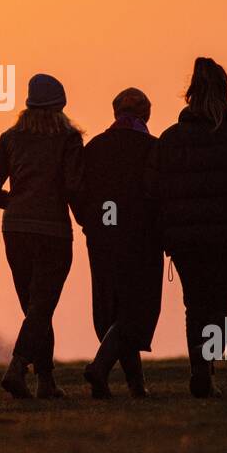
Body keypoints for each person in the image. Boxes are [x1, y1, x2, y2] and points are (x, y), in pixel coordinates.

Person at [147, 58, 227, 398]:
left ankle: (200, 368)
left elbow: (152, 189)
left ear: (189, 95)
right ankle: (207, 364)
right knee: (225, 306)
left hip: (184, 239)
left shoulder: (169, 139)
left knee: (194, 304)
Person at [0, 73, 84, 399]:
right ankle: (17, 366)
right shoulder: (69, 139)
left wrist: (16, 202)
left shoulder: (10, 137)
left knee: (36, 308)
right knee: (42, 305)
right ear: (60, 106)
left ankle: (46, 381)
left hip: (15, 230)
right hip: (53, 230)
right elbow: (74, 186)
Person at [77, 89, 163, 399]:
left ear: (115, 113)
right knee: (137, 308)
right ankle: (101, 367)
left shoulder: (95, 148)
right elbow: (159, 194)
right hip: (142, 238)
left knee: (111, 307)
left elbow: (78, 190)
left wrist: (88, 222)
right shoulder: (153, 148)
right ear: (147, 114)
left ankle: (135, 384)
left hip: (102, 238)